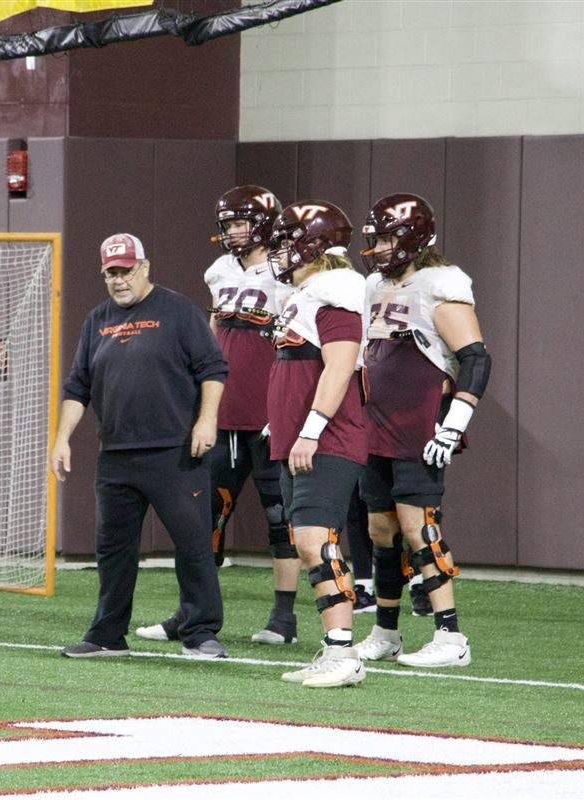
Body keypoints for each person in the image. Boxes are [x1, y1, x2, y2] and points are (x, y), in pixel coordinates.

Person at [135, 185, 302, 646]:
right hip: (225, 413)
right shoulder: (219, 270)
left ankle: (283, 619)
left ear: (264, 223)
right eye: (226, 224)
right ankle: (192, 612)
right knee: (201, 517)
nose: (231, 232)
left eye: (239, 223)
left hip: (271, 412)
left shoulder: (288, 269)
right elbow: (213, 331)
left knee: (280, 516)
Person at [52, 233, 229, 660]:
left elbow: (213, 368)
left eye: (125, 270)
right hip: (116, 454)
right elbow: (79, 386)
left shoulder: (179, 310)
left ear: (145, 267)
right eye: (111, 273)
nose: (118, 280)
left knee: (192, 544)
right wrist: (61, 438)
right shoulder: (97, 320)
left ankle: (200, 631)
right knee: (113, 549)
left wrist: (207, 420)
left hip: (175, 451)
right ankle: (108, 634)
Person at [352, 193, 490, 668]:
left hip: (421, 424)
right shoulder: (374, 285)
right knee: (380, 528)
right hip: (379, 422)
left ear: (413, 239)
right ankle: (386, 631)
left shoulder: (439, 283)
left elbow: (475, 358)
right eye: (377, 239)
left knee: (419, 529)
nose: (380, 248)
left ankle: (451, 637)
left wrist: (453, 427)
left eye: (389, 238)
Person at [261, 201, 369, 687]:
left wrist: (311, 428)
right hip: (299, 439)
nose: (279, 252)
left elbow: (340, 366)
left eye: (288, 242)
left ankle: (344, 654)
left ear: (314, 245)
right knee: (309, 544)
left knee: (315, 541)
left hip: (327, 438)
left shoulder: (337, 290)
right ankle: (334, 650)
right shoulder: (303, 294)